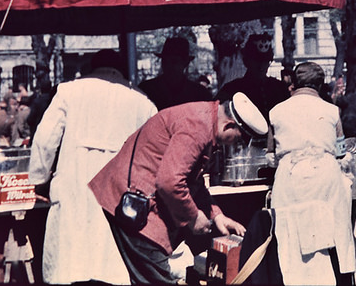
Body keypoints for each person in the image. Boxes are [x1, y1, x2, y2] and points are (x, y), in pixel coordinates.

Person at [89, 93, 269, 284]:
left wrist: (217, 216)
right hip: (135, 204)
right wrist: (193, 216)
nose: (237, 145)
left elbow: (193, 181)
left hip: (135, 198)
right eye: (240, 139)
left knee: (150, 276)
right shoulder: (198, 127)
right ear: (229, 125)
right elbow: (170, 182)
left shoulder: (206, 118)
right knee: (155, 278)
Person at [29, 49, 157, 284]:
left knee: (69, 268)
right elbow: (155, 154)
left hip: (72, 191)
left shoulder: (69, 91)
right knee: (111, 269)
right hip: (117, 200)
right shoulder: (142, 101)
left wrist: (37, 179)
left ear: (91, 68)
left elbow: (44, 139)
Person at [268, 62, 354, 285]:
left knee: (290, 243)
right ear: (320, 84)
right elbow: (341, 152)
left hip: (291, 179)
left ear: (293, 84)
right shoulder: (331, 110)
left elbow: (270, 155)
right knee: (331, 238)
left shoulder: (276, 111)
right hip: (325, 180)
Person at [216, 33, 290, 120]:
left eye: (265, 61)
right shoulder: (232, 89)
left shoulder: (280, 88)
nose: (261, 66)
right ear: (246, 61)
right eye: (256, 61)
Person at [139, 36, 213, 110]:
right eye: (165, 61)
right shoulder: (148, 90)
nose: (168, 66)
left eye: (174, 62)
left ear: (185, 63)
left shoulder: (199, 94)